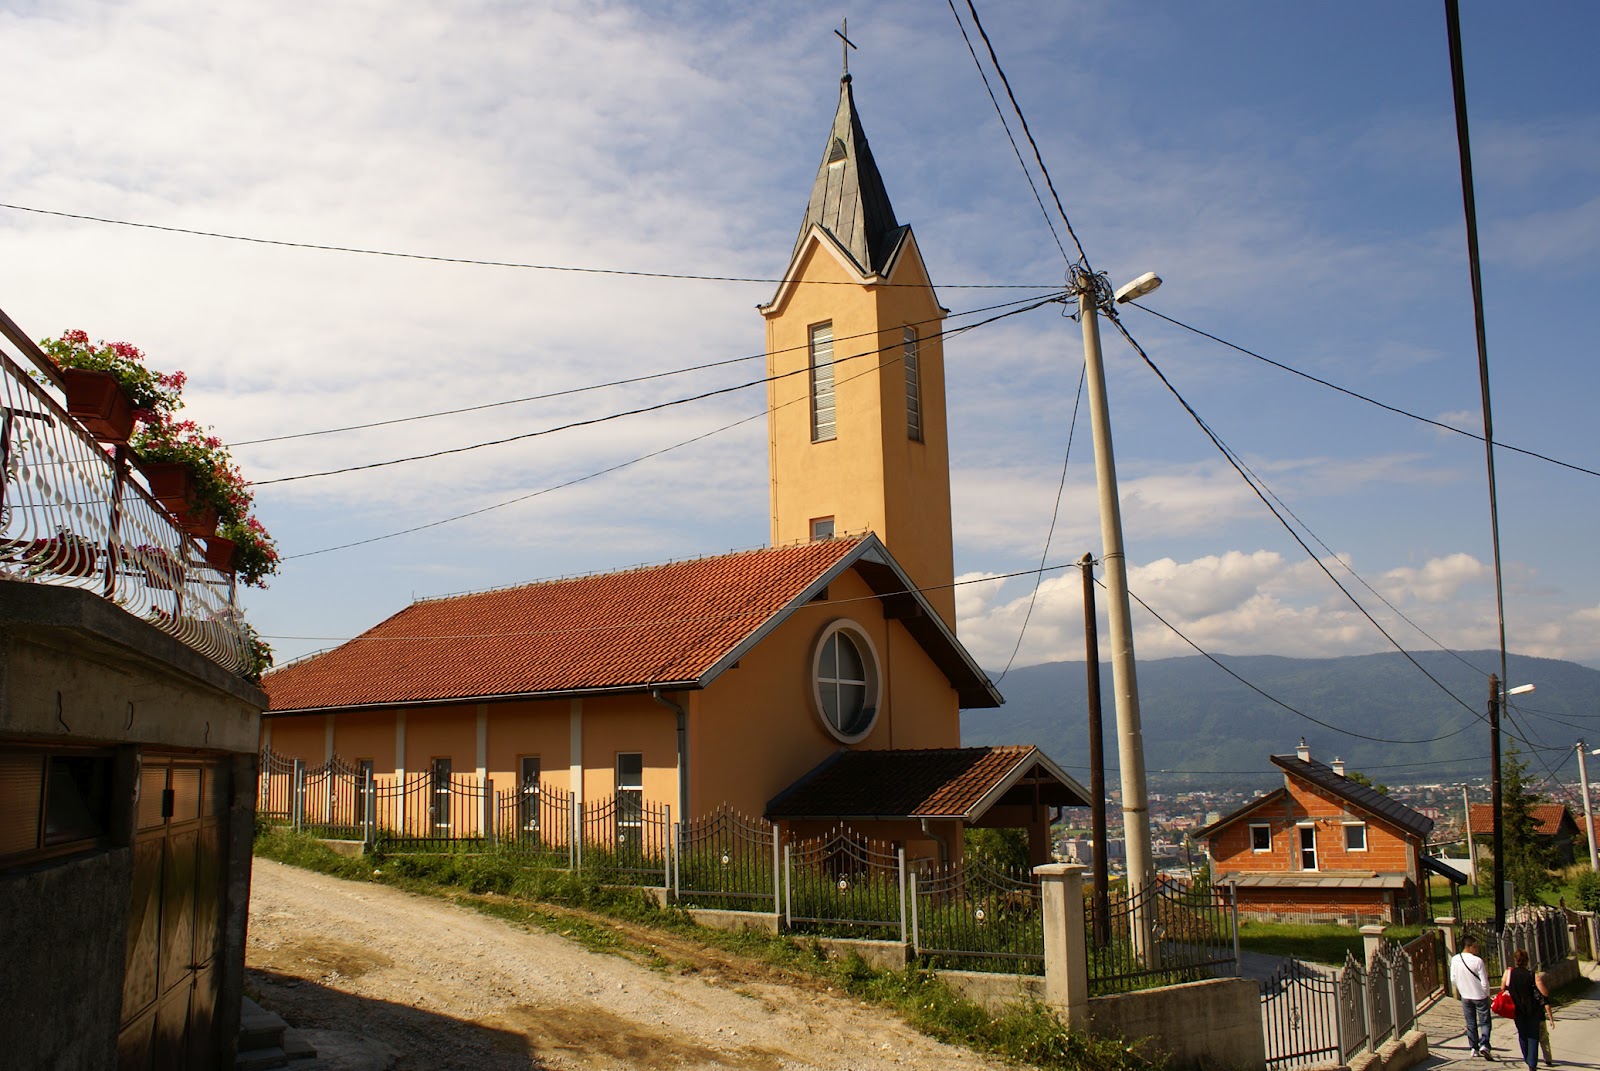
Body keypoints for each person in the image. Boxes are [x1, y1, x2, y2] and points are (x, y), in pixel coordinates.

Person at [1502, 948, 1554, 1070]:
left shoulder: (1508, 973)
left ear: (1515, 960)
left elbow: (1502, 988)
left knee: (1522, 1034)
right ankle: (1532, 1063)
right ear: (1527, 961)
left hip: (1517, 1009)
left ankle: (1526, 1058)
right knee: (1533, 1036)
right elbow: (1544, 993)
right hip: (1532, 1010)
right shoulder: (1532, 975)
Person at [1449, 937, 1493, 1058]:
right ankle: (1484, 1044)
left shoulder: (1455, 959)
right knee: (1485, 1022)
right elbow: (1484, 981)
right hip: (1480, 995)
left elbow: (1453, 979)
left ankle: (1473, 1047)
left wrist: (1462, 989)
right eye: (1475, 946)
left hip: (1466, 995)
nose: (1477, 948)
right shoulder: (1478, 961)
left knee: (1471, 1022)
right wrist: (1487, 994)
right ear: (1468, 947)